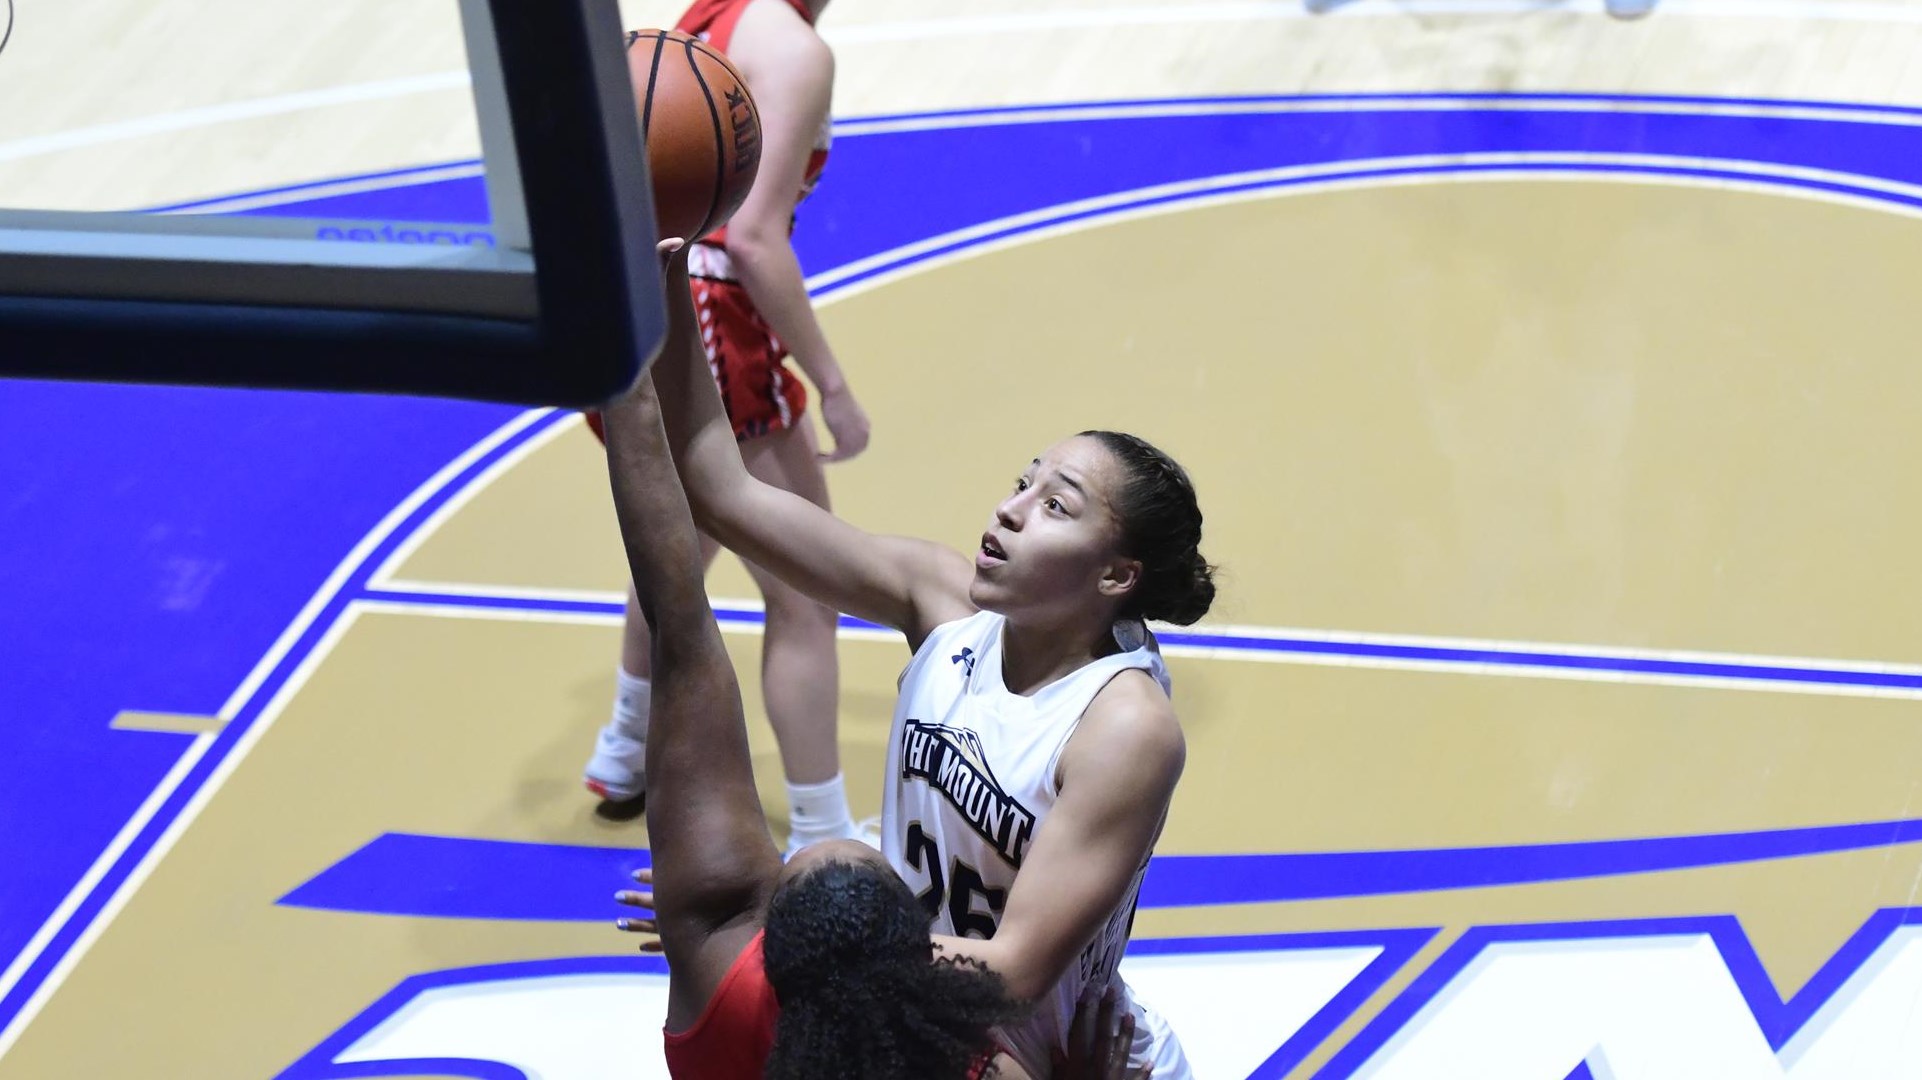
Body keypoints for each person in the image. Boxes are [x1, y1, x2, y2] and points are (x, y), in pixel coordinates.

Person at [645, 237, 1216, 1075]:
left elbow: (1017, 972)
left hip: (1046, 1058)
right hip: (905, 1021)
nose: (1011, 510)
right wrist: (667, 279)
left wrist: (783, 933)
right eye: (1022, 482)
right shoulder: (940, 601)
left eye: (1055, 505)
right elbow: (720, 490)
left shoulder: (1125, 728)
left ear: (1115, 574)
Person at [594, 315, 1016, 1077]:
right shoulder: (983, 1066)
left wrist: (622, 367)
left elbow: (678, 613)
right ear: (929, 962)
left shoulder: (722, 985)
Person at [584, 0, 874, 859]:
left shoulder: (706, 15)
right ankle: (821, 832)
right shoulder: (795, 49)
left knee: (681, 541)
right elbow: (750, 236)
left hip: (636, 297)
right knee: (807, 593)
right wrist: (831, 382)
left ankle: (622, 751)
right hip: (710, 316)